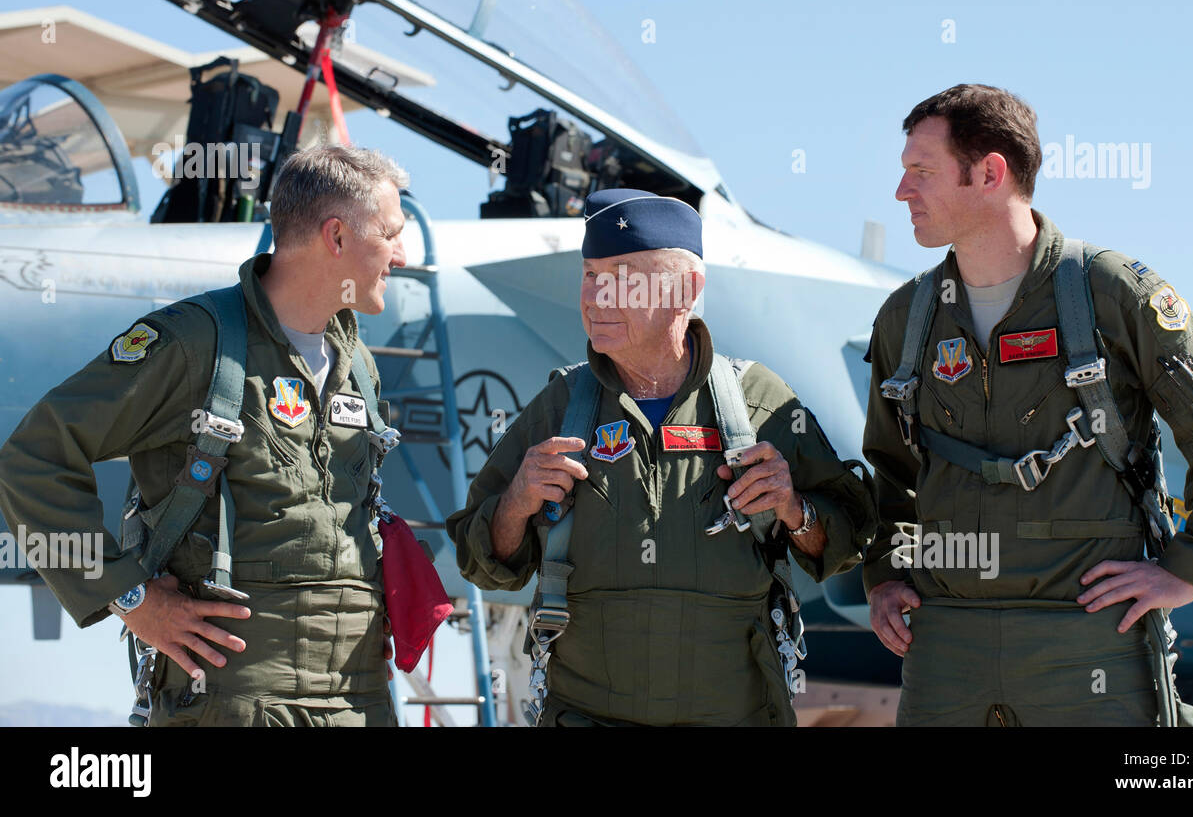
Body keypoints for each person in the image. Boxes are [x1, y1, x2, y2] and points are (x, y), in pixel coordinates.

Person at [862, 84, 1193, 726]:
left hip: (1084, 647)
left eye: (922, 171)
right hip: (947, 652)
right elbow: (892, 471)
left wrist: (1189, 571)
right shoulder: (907, 319)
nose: (901, 192)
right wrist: (886, 575)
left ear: (990, 172)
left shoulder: (1111, 294)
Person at [0, 145, 410, 726]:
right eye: (390, 233)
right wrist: (129, 596)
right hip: (233, 698)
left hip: (359, 698)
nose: (402, 254)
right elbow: (30, 459)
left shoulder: (358, 364)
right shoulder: (194, 345)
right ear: (337, 237)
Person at [448, 188, 875, 726]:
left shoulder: (759, 402)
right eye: (589, 275)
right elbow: (481, 561)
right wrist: (516, 502)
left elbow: (847, 541)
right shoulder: (559, 408)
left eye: (622, 278)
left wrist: (794, 510)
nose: (595, 297)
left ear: (686, 290)